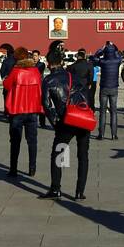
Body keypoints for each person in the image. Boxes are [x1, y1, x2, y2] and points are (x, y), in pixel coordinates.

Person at [40, 41, 91, 201]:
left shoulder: (48, 81)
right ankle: (79, 192)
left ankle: (56, 189)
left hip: (66, 122)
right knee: (83, 155)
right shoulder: (73, 76)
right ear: (61, 62)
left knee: (59, 153)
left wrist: (56, 123)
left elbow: (47, 105)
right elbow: (85, 97)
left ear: (49, 64)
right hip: (82, 119)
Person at [1, 47, 43, 177]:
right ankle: (32, 168)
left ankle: (13, 169)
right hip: (32, 111)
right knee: (32, 141)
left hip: (17, 110)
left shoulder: (16, 71)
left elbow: (7, 85)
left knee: (15, 141)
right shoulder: (35, 71)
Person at [91, 41, 122, 140]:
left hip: (104, 88)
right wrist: (113, 46)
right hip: (114, 88)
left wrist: (101, 49)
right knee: (114, 112)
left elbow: (94, 57)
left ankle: (101, 134)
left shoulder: (102, 62)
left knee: (102, 111)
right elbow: (117, 51)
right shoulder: (117, 61)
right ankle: (114, 134)